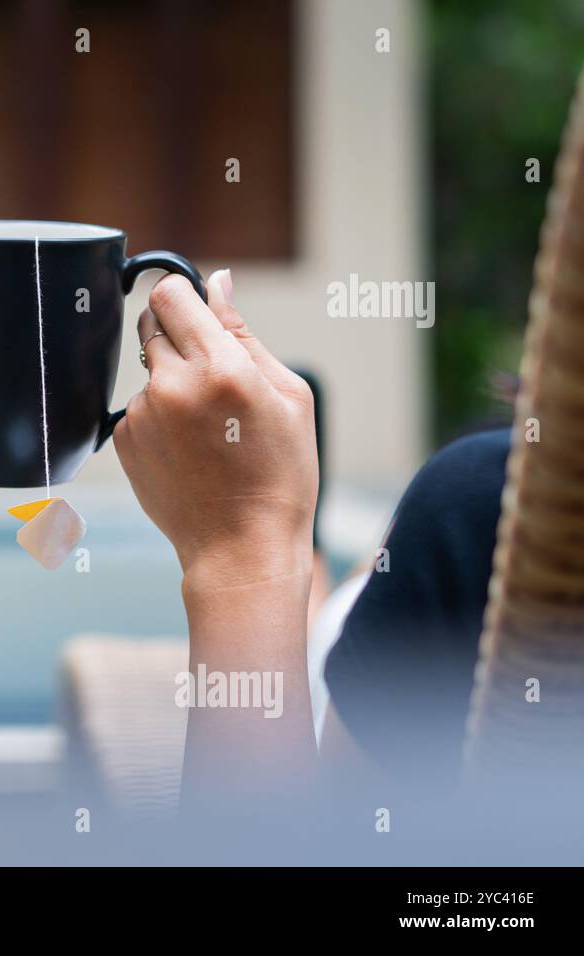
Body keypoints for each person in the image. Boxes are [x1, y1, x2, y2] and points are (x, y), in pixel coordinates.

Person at [113, 270, 509, 806]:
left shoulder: (475, 501)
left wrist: (243, 546)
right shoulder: (479, 500)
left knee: (366, 586)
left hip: (352, 684)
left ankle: (310, 550)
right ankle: (315, 550)